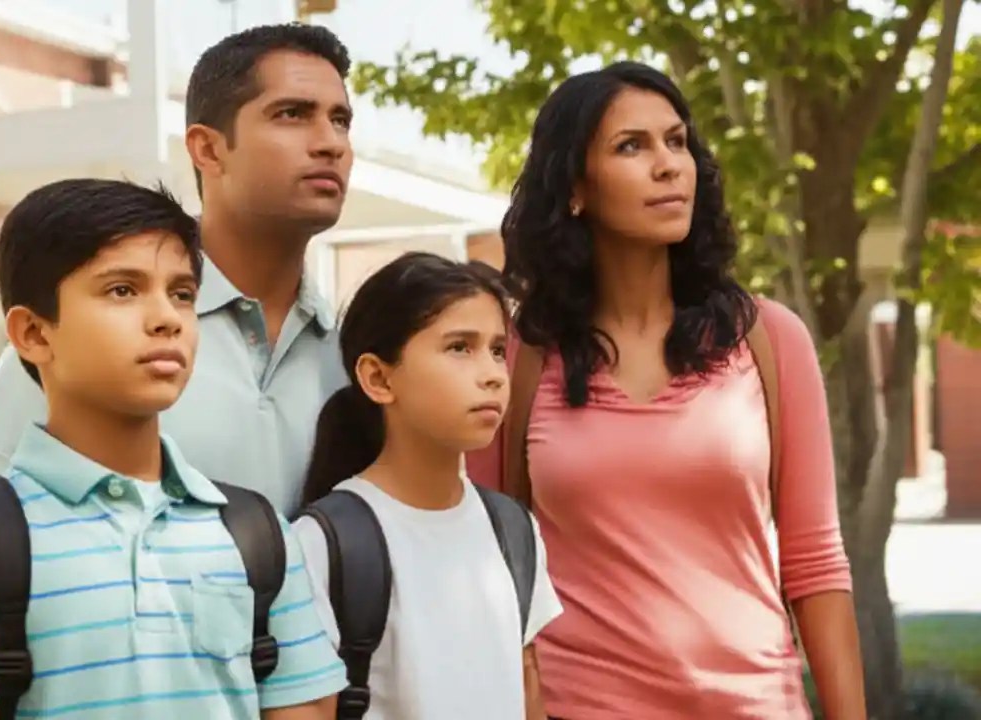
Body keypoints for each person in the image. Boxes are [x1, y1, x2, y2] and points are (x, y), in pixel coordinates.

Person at [467, 61, 867, 719]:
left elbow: (815, 561)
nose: (668, 165)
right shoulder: (517, 357)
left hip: (758, 705)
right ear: (575, 187)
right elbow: (490, 563)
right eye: (633, 146)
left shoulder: (768, 339)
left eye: (677, 141)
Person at [0, 179, 344, 719]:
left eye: (182, 293)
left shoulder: (256, 534)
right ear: (33, 333)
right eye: (122, 290)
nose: (168, 317)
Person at [0, 23, 354, 512]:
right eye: (292, 114)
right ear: (208, 149)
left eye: (340, 120)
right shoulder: (88, 330)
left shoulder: (356, 355)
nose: (330, 142)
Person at [293, 252, 562, 720]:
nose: (494, 374)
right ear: (378, 377)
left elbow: (527, 687)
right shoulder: (325, 543)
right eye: (460, 347)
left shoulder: (513, 531)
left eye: (498, 350)